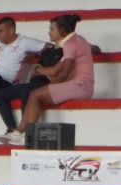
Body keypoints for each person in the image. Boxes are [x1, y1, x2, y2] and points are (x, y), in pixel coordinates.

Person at [6, 15, 96, 146]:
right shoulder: (79, 39)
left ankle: (27, 136)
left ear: (62, 30)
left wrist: (48, 86)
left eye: (53, 29)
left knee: (35, 94)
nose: (49, 32)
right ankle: (20, 133)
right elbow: (93, 49)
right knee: (34, 93)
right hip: (83, 85)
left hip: (80, 86)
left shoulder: (70, 44)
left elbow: (65, 72)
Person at [0, 16, 49, 101]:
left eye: (1, 31)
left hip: (7, 85)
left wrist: (35, 56)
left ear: (11, 30)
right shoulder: (3, 44)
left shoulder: (24, 42)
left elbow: (50, 47)